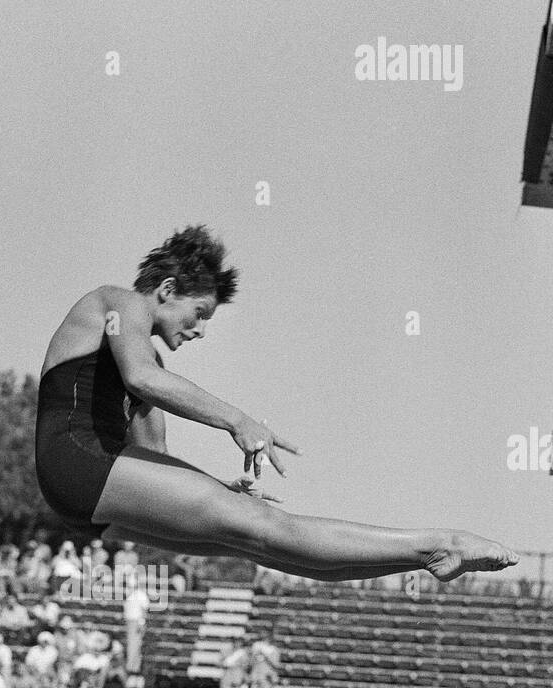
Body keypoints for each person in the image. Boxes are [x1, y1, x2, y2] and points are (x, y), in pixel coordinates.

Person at [34, 226, 517, 583]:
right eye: (199, 313)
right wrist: (236, 421)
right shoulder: (117, 303)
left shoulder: (143, 360)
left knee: (260, 542)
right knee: (266, 526)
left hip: (85, 493)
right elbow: (144, 378)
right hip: (76, 461)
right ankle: (438, 540)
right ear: (167, 291)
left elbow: (153, 458)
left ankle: (425, 556)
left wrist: (218, 491)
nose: (201, 330)